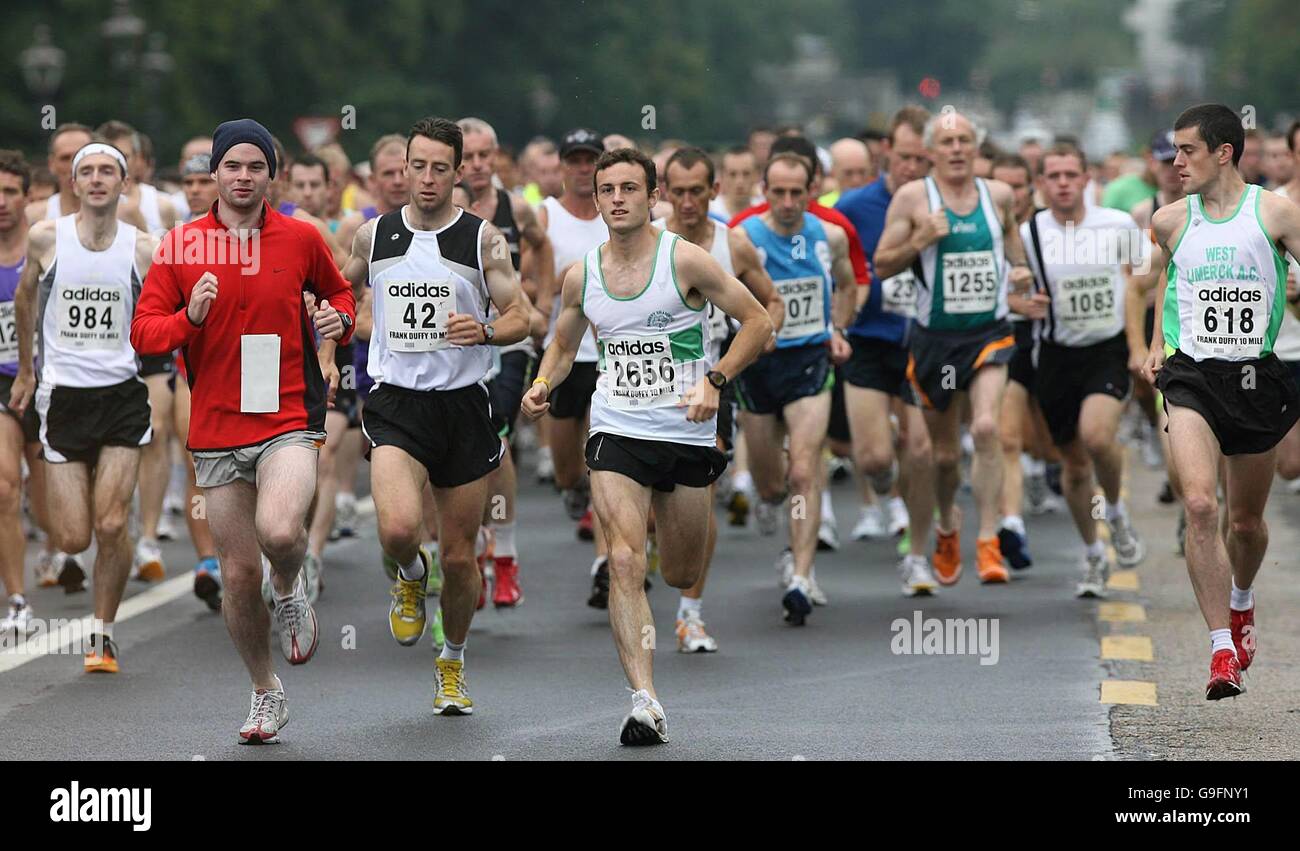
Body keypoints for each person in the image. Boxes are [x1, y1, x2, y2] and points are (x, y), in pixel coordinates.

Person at [521, 146, 771, 744]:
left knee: (682, 570)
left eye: (630, 188)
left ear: (651, 196)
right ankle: (645, 700)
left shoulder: (685, 261)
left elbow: (757, 321)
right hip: (617, 429)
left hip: (685, 430)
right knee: (626, 561)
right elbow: (562, 340)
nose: (617, 199)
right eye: (607, 189)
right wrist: (542, 383)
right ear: (597, 197)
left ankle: (666, 558)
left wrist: (715, 381)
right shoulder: (582, 273)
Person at [131, 118, 356, 743]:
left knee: (280, 530)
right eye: (232, 166)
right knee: (235, 575)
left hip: (286, 411)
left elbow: (342, 296)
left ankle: (289, 583)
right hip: (216, 421)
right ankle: (264, 691)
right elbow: (144, 331)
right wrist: (187, 317)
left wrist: (334, 322)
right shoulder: (180, 246)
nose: (243, 177)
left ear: (271, 175)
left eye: (256, 166)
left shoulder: (301, 237)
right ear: (214, 173)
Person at [344, 117, 529, 716]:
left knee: (458, 555)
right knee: (399, 529)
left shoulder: (483, 240)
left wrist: (486, 330)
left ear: (459, 174)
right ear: (402, 168)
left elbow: (523, 317)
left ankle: (451, 662)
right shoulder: (372, 237)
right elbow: (335, 292)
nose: (424, 179)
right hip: (396, 402)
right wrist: (327, 337)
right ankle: (405, 573)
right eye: (415, 167)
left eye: (438, 169)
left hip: (462, 407)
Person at [1141, 103, 1300, 699]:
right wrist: (1158, 342)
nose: (1176, 162)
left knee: (1246, 522)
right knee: (1202, 506)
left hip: (1256, 379)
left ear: (1224, 152)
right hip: (1191, 379)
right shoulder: (1168, 220)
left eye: (1187, 151)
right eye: (1175, 151)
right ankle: (1219, 653)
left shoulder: (1276, 213)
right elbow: (1167, 277)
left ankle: (1241, 600)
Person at [10, 141, 158, 672]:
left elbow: (167, 309)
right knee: (74, 535)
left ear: (123, 183)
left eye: (107, 172)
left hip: (122, 395)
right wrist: (28, 370)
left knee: (112, 525)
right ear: (73, 184)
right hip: (62, 398)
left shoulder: (143, 247)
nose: (96, 180)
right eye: (87, 172)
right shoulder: (46, 238)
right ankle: (94, 535)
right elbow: (26, 297)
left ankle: (102, 633)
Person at [874, 111, 1036, 586]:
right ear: (931, 151)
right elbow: (881, 264)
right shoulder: (912, 197)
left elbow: (1011, 245)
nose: (958, 149)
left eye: (965, 140)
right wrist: (922, 237)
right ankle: (947, 527)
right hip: (934, 341)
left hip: (988, 333)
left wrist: (1021, 271)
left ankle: (988, 539)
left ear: (977, 147)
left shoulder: (998, 196)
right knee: (942, 457)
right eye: (947, 142)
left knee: (986, 427)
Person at [655, 146, 782, 650]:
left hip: (709, 381)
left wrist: (766, 333)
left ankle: (690, 613)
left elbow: (769, 301)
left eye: (696, 192)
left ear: (715, 190)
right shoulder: (646, 241)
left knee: (700, 489)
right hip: (641, 384)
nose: (687, 202)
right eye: (677, 191)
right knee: (648, 506)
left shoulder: (734, 246)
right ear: (663, 193)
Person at [735, 152, 856, 624]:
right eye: (778, 192)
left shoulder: (831, 236)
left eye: (796, 193)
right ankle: (778, 517)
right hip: (761, 366)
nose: (787, 202)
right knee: (770, 486)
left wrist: (838, 328)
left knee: (805, 470)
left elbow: (848, 286)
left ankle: (802, 576)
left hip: (809, 361)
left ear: (813, 191)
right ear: (764, 191)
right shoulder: (745, 239)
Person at [1024, 143, 1147, 597]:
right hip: (1056, 355)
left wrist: (1140, 342)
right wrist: (1025, 301)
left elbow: (1145, 283)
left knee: (1097, 436)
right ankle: (1093, 554)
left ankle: (1115, 510)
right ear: (1040, 185)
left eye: (1070, 175)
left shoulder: (1116, 225)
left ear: (1086, 179)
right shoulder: (1029, 233)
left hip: (1107, 349)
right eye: (1052, 176)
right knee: (1074, 467)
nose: (1062, 184)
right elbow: (1012, 296)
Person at [834, 105, 938, 595]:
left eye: (920, 159)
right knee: (875, 458)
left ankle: (918, 555)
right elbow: (835, 264)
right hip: (870, 341)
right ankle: (886, 492)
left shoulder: (945, 206)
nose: (910, 168)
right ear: (886, 154)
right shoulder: (855, 207)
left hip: (923, 343)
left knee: (921, 450)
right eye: (902, 157)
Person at [458, 117, 553, 608]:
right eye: (467, 157)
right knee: (462, 448)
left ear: (496, 156)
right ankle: (469, 548)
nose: (476, 165)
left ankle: (506, 556)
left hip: (508, 339)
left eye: (483, 155)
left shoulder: (515, 207)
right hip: (454, 343)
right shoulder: (439, 209)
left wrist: (541, 297)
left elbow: (542, 244)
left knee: (495, 431)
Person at [537, 128, 611, 600]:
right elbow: (532, 281)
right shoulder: (545, 216)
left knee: (605, 461)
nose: (583, 168)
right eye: (575, 160)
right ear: (563, 166)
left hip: (609, 359)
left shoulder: (620, 214)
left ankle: (607, 563)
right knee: (568, 469)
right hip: (564, 354)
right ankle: (574, 491)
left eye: (591, 160)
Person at [0, 151, 41, 635]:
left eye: (11, 191)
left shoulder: (46, 244)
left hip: (49, 382)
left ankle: (57, 549)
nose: (2, 201)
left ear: (28, 196)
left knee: (66, 529)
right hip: (2, 384)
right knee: (5, 487)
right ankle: (16, 598)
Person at [818, 138, 873, 207]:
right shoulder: (823, 206)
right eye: (848, 173)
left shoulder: (882, 202)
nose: (856, 180)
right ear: (832, 172)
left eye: (862, 172)